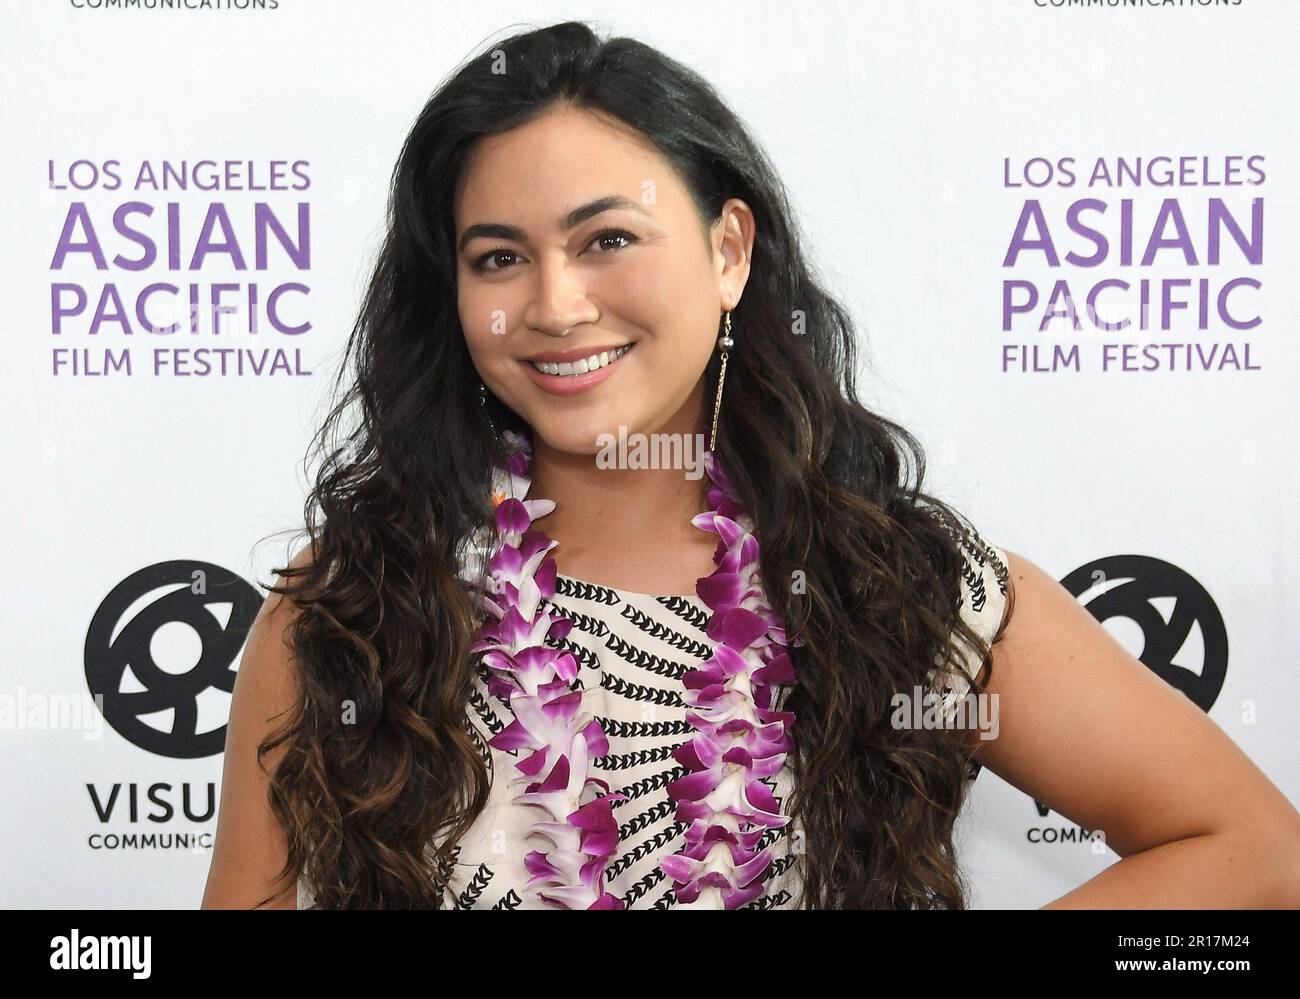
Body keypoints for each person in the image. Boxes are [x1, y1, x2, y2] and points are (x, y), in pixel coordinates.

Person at [201, 20, 1300, 910]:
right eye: (499, 256)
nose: (556, 304)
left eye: (606, 239)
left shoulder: (896, 587)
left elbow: (1253, 850)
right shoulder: (352, 606)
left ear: (728, 250)